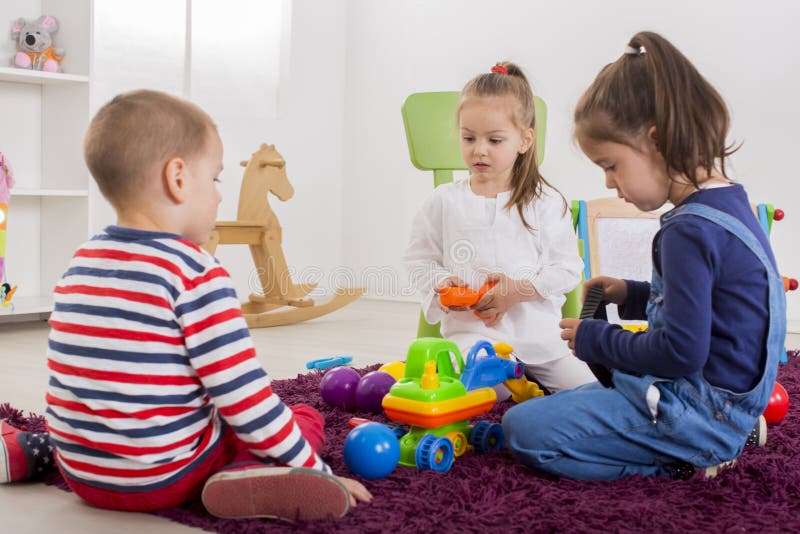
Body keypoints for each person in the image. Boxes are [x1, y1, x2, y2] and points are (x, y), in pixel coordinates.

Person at [0, 90, 372, 520]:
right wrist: (317, 470)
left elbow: (74, 382)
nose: (218, 197)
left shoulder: (80, 262)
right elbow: (244, 397)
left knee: (100, 419)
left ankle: (25, 452)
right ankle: (248, 475)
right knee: (301, 416)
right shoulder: (196, 271)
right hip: (165, 478)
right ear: (177, 178)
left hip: (81, 472)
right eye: (214, 180)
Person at [502, 32, 784, 480]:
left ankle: (685, 462)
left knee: (523, 430)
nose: (609, 183)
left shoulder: (688, 231)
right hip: (727, 404)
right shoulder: (730, 205)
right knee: (571, 403)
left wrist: (597, 339)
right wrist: (630, 294)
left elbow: (679, 351)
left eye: (610, 165)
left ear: (656, 142)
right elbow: (707, 308)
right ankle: (728, 433)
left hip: (694, 409)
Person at [404, 62, 595, 393]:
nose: (479, 149)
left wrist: (518, 291)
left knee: (589, 389)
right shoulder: (444, 201)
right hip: (473, 338)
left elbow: (566, 270)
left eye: (494, 140)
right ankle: (511, 391)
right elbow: (418, 259)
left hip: (541, 340)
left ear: (524, 140)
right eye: (468, 137)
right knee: (487, 392)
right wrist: (442, 284)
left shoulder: (547, 202)